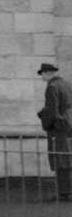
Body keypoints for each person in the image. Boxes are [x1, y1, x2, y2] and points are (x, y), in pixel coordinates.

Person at [37, 62, 72, 201]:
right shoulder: (66, 84)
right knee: (68, 158)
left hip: (59, 128)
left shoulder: (51, 87)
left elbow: (53, 111)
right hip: (69, 124)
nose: (42, 77)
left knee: (60, 159)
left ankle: (65, 193)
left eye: (42, 74)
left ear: (47, 73)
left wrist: (44, 119)